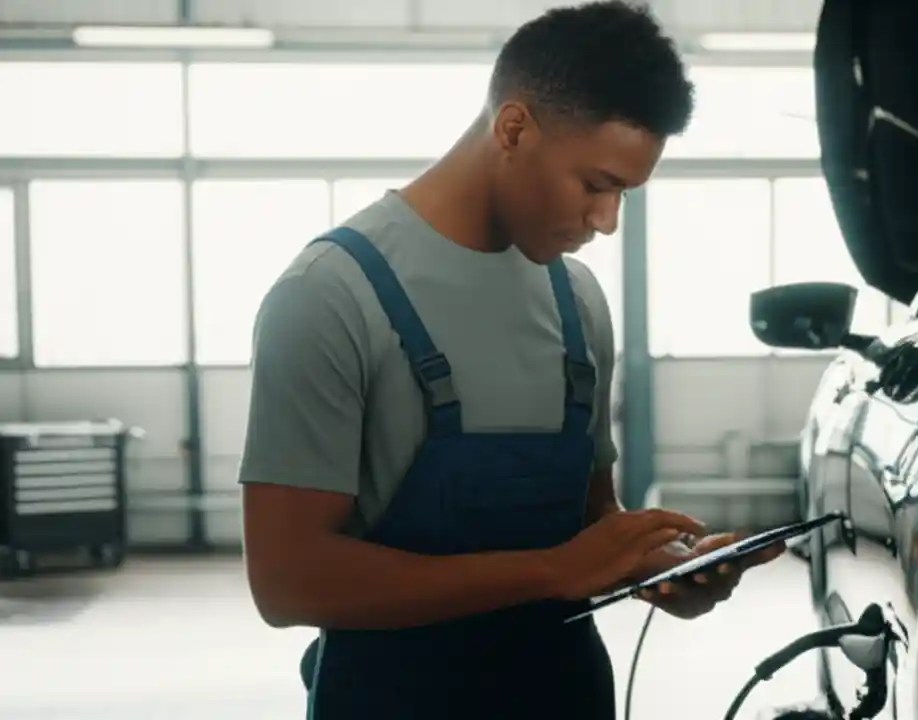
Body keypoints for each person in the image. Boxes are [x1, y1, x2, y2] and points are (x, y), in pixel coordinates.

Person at [238, 2, 784, 718]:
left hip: (565, 694)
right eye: (595, 184)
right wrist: (555, 572)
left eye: (623, 192)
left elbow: (588, 522)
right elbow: (288, 584)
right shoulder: (330, 297)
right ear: (515, 127)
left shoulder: (577, 302)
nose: (606, 220)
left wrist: (659, 570)